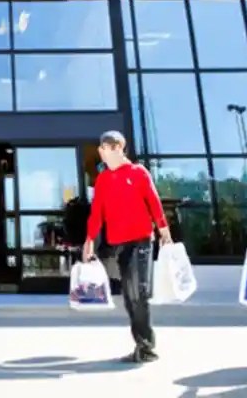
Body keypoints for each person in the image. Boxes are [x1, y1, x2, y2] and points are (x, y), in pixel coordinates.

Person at [82, 130, 172, 363]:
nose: (100, 153)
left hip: (141, 240)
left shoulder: (138, 172)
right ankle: (141, 345)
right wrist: (89, 240)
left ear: (116, 148)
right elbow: (97, 214)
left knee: (139, 292)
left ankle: (147, 346)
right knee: (129, 296)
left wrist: (164, 230)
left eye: (103, 148)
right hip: (119, 244)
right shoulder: (102, 179)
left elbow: (154, 201)